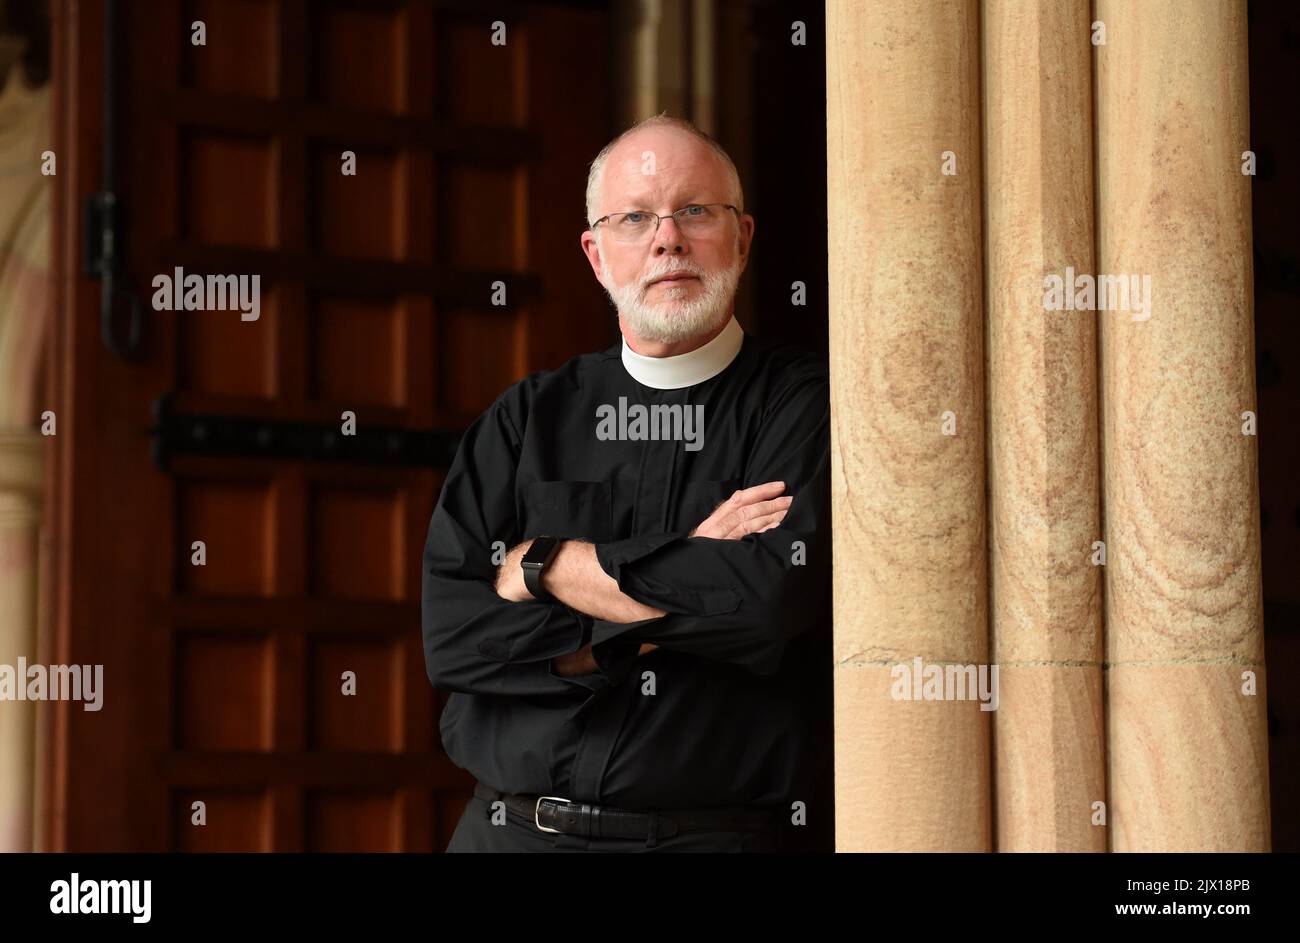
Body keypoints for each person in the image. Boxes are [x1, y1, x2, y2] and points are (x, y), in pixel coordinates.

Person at [423, 114, 832, 853]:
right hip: (509, 835)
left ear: (742, 237)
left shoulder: (803, 406)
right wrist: (691, 562)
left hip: (709, 841)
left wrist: (548, 562)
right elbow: (457, 641)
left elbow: (767, 602)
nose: (667, 237)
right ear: (596, 254)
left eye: (696, 211)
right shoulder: (526, 420)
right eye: (635, 217)